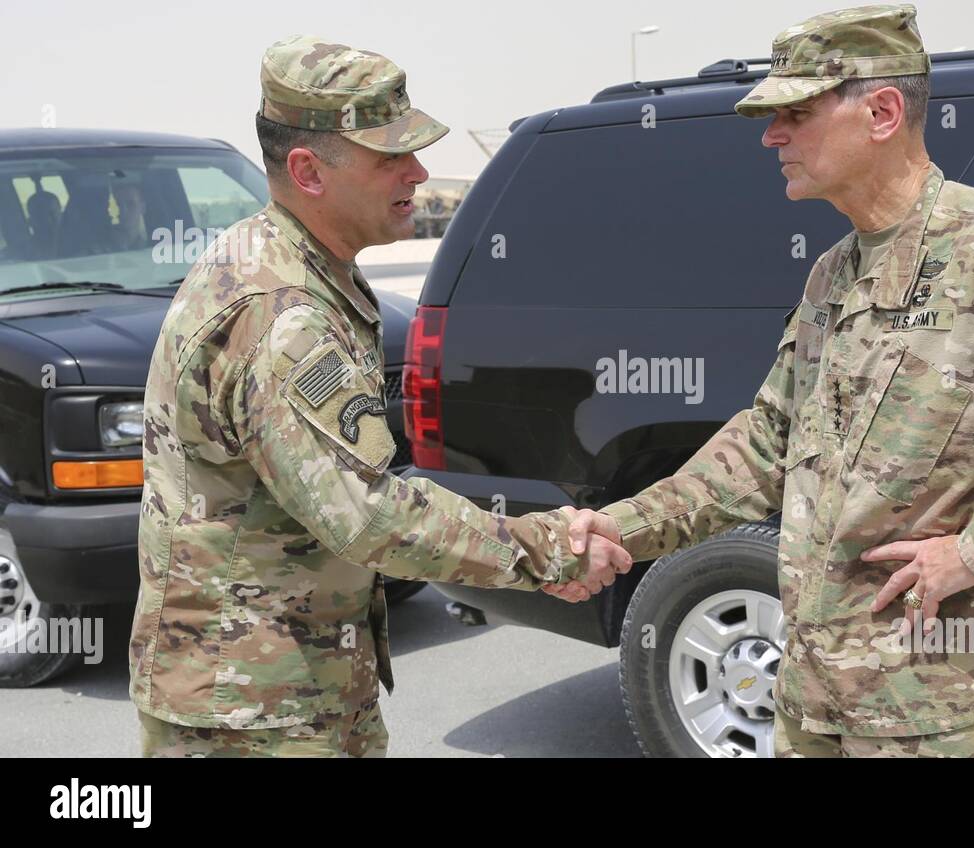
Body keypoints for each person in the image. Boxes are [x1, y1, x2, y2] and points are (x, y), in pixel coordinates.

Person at [555, 4, 974, 757]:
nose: (771, 134)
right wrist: (626, 527)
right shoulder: (834, 274)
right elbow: (768, 443)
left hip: (951, 718)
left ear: (881, 111)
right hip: (814, 703)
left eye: (796, 112)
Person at [130, 35, 626, 757]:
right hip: (251, 713)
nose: (418, 171)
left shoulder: (297, 263)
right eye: (389, 156)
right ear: (308, 170)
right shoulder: (281, 311)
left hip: (286, 688)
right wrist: (541, 548)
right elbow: (365, 514)